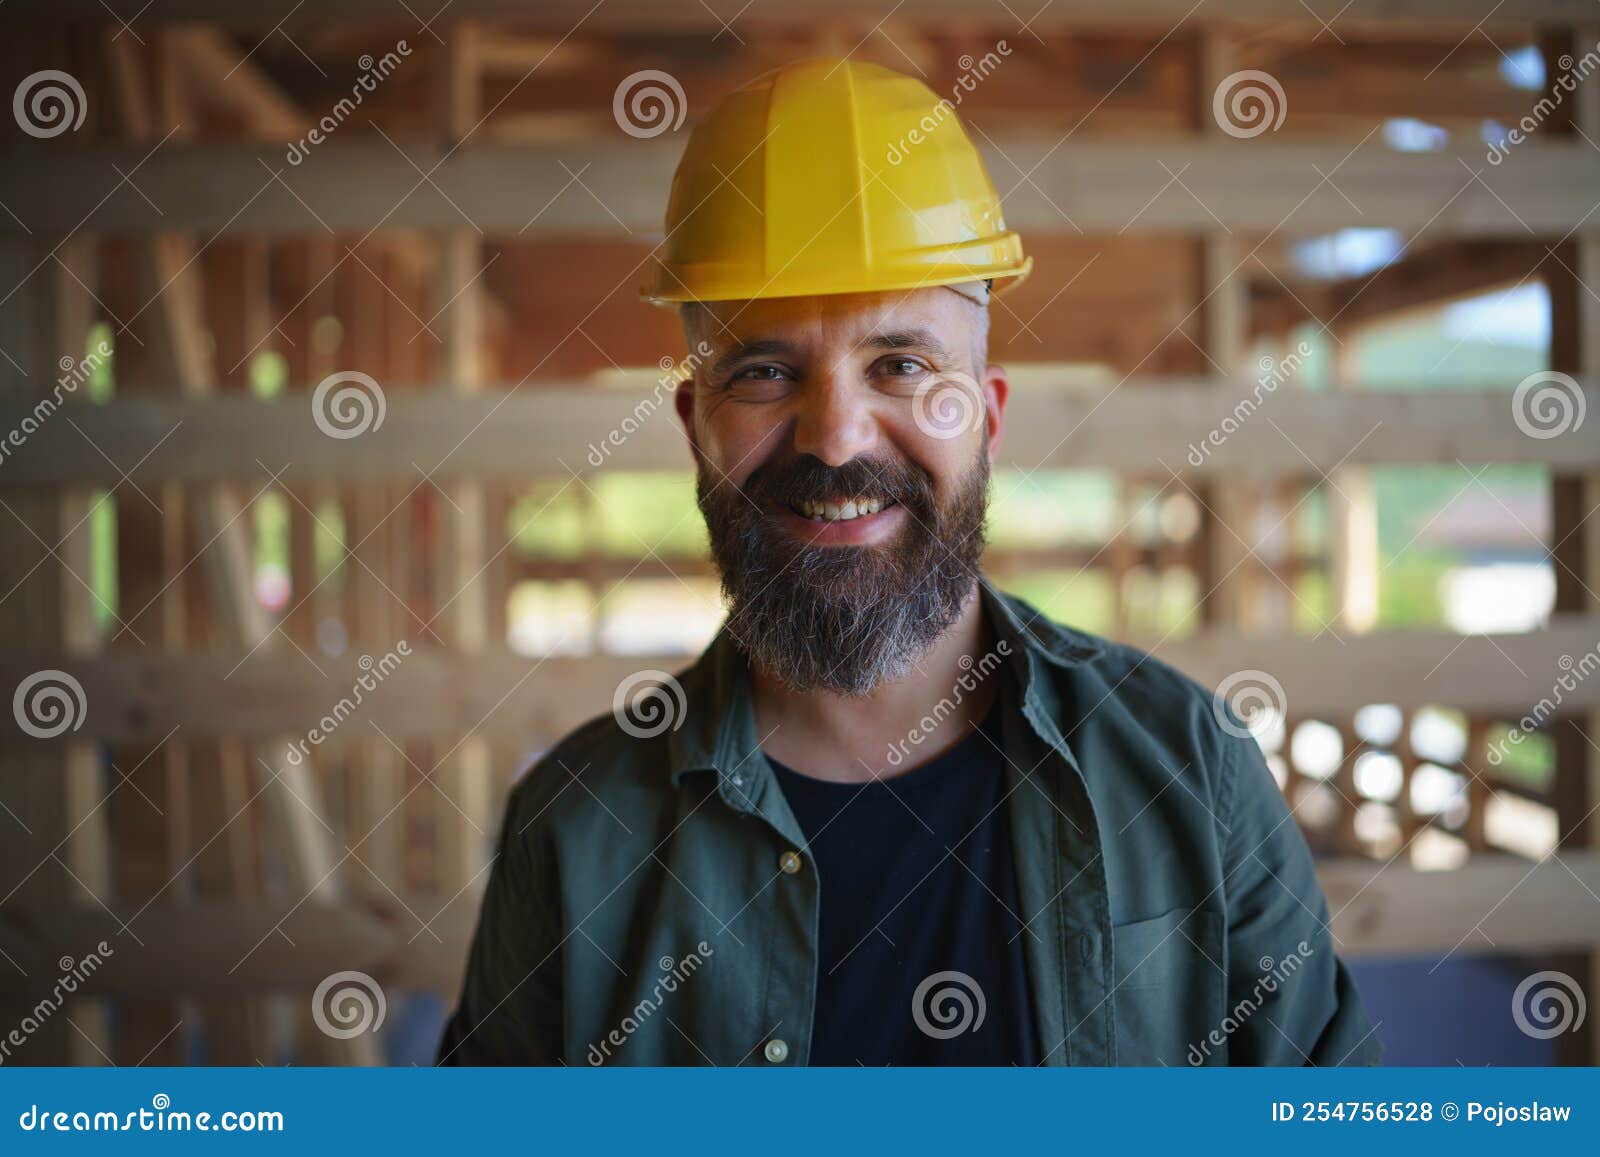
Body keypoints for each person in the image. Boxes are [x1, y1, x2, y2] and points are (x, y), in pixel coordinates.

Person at [438, 56, 1380, 1067]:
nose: (836, 437)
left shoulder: (1185, 766)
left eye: (901, 364)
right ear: (694, 425)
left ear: (986, 418)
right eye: (764, 369)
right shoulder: (575, 833)